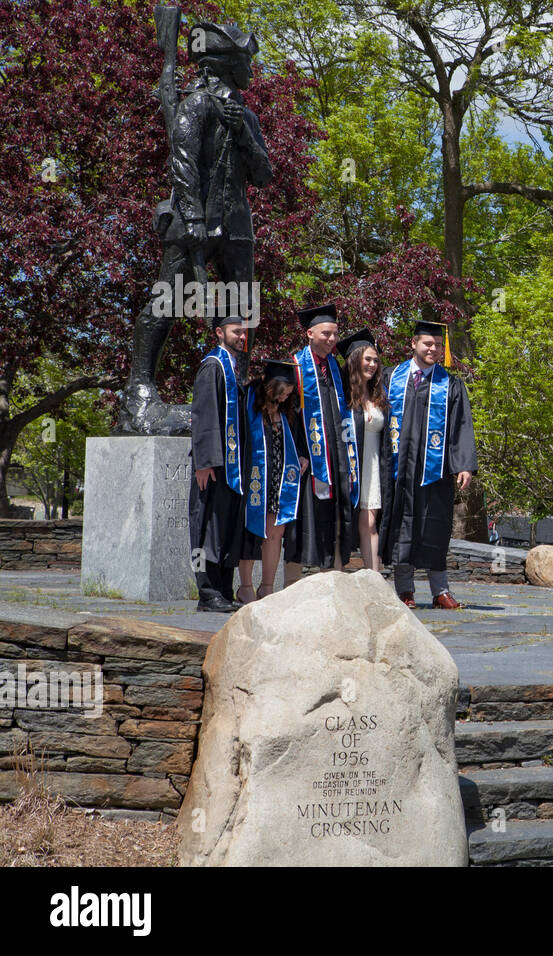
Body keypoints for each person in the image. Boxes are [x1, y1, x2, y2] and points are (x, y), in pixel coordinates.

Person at [122, 20, 272, 434]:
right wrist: (192, 219)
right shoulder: (197, 105)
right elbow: (183, 166)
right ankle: (138, 392)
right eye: (246, 62)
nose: (251, 71)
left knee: (242, 313)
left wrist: (243, 129)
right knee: (168, 304)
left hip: (238, 229)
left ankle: (236, 391)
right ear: (225, 65)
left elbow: (263, 175)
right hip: (195, 228)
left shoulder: (247, 116)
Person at [378, 320, 477, 609]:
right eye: (427, 343)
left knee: (435, 528)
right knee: (402, 528)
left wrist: (465, 465)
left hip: (436, 472)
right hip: (398, 471)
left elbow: (462, 426)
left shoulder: (450, 385)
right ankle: (405, 591)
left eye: (437, 344)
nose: (433, 348)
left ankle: (440, 591)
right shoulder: (391, 378)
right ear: (414, 344)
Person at [284, 304, 358, 582]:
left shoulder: (336, 370)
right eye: (326, 333)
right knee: (302, 522)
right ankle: (291, 583)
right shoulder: (295, 366)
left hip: (336, 458)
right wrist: (298, 453)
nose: (332, 339)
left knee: (334, 518)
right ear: (309, 333)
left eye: (335, 334)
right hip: (307, 461)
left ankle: (333, 578)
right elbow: (286, 415)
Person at [189, 312, 248, 612]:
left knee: (225, 527)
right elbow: (203, 415)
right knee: (205, 528)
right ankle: (207, 592)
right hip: (213, 465)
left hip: (232, 466)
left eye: (244, 332)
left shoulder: (235, 369)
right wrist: (204, 461)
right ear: (219, 333)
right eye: (236, 331)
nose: (242, 336)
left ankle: (224, 589)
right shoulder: (212, 367)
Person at [236, 361, 309, 601]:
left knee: (276, 532)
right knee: (253, 531)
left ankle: (267, 586)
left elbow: (298, 441)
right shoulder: (249, 406)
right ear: (273, 385)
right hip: (256, 479)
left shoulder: (286, 411)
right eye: (287, 387)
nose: (289, 393)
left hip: (280, 480)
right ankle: (245, 586)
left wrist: (301, 457)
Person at [340, 329, 387, 573]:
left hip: (372, 464)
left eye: (375, 360)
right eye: (367, 359)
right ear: (355, 359)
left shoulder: (380, 393)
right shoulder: (341, 392)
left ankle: (373, 577)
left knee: (370, 523)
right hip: (349, 464)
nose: (372, 364)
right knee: (345, 521)